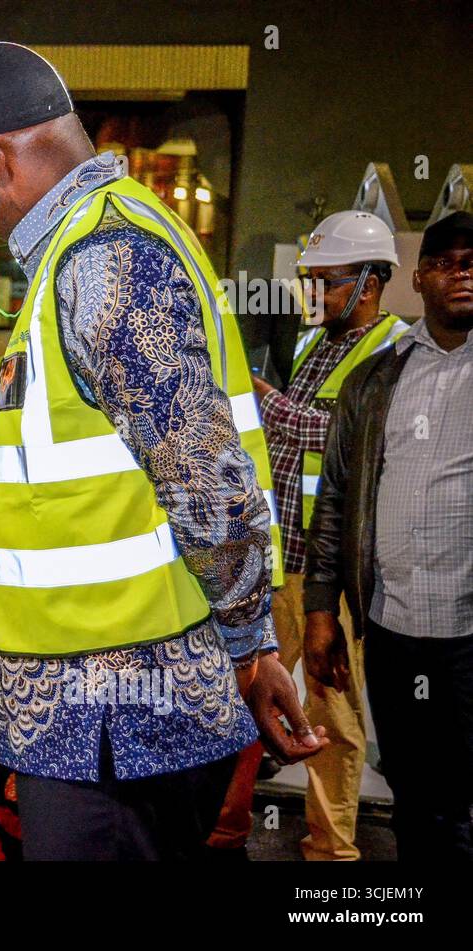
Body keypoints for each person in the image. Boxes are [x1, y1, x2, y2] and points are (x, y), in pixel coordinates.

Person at [0, 42, 325, 860]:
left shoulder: (107, 257)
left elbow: (207, 479)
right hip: (94, 717)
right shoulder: (86, 248)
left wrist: (248, 640)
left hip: (115, 722)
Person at [210, 211, 409, 859]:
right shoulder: (315, 345)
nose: (314, 296)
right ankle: (227, 826)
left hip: (335, 571)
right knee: (247, 696)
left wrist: (255, 394)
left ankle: (331, 852)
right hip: (277, 559)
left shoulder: (397, 352)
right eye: (312, 281)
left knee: (332, 717)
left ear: (371, 282)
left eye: (327, 282)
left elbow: (336, 439)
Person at [305, 210, 473, 860]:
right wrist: (322, 610)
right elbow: (336, 500)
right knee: (411, 796)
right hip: (397, 632)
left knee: (457, 806)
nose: (462, 272)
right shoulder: (377, 381)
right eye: (447, 260)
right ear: (420, 276)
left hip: (465, 637)